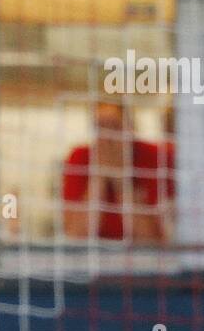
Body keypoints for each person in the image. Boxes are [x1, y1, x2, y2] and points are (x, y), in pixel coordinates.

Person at [62, 101, 173, 243]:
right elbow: (75, 235)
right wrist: (99, 177)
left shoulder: (157, 158)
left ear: (131, 128)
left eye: (115, 127)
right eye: (100, 128)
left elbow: (152, 241)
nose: (108, 136)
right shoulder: (80, 157)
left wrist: (121, 180)